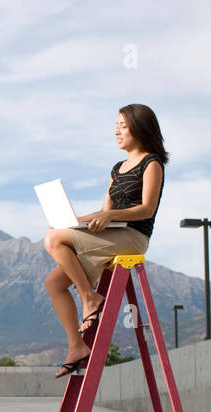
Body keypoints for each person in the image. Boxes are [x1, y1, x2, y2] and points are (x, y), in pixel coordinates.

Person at [43, 104, 168, 378]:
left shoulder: (152, 163)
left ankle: (89, 297)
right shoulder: (117, 168)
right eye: (117, 125)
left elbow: (147, 208)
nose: (117, 131)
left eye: (122, 125)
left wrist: (111, 215)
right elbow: (104, 211)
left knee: (52, 240)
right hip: (111, 235)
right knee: (53, 283)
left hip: (133, 237)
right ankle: (76, 347)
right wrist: (73, 220)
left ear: (140, 127)